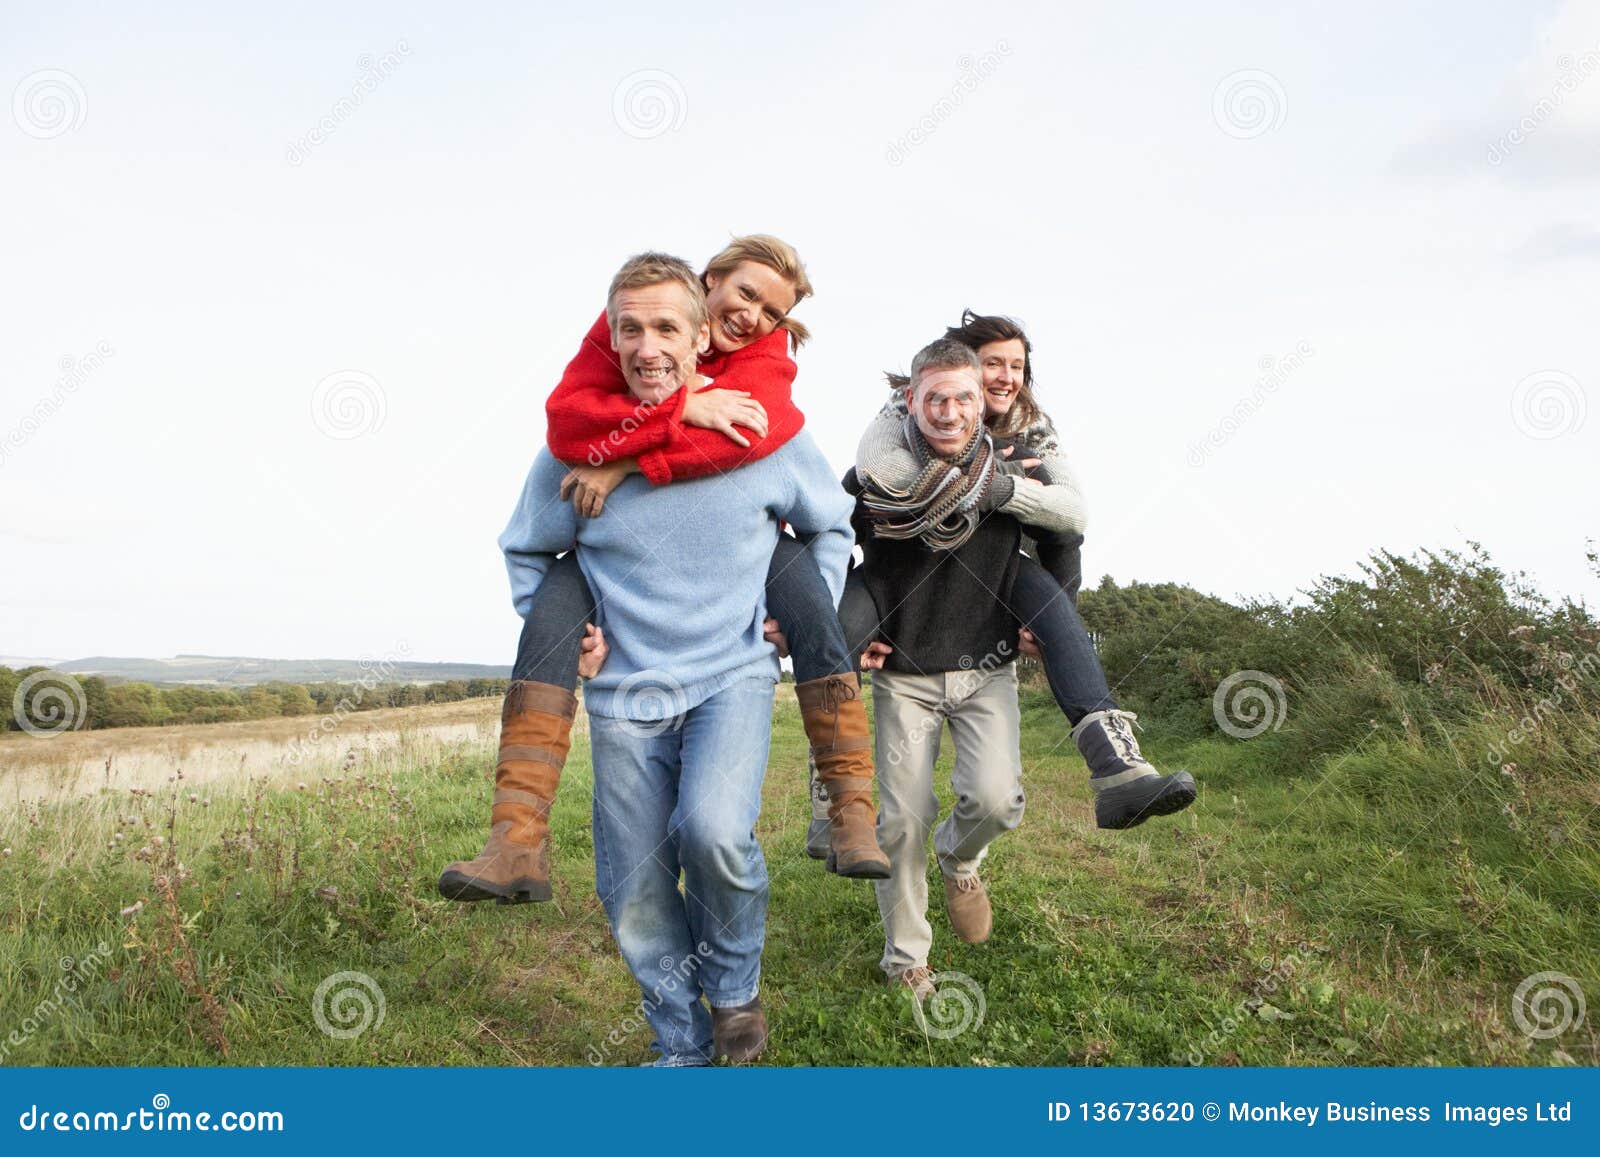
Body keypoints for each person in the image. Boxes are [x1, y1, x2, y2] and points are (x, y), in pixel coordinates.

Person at [437, 236, 888, 910]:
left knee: (798, 572)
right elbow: (566, 425)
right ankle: (515, 837)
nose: (752, 316)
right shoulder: (630, 342)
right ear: (709, 285)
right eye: (743, 293)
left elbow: (772, 462)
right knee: (557, 596)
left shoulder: (761, 386)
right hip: (620, 614)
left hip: (746, 568)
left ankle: (851, 807)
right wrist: (668, 411)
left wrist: (623, 459)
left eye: (771, 310)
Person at [494, 252, 854, 1064]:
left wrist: (801, 613)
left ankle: (732, 991)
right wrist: (563, 636)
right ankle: (681, 1046)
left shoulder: (761, 431)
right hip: (624, 693)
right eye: (631, 328)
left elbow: (831, 526)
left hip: (731, 674)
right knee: (634, 886)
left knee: (716, 833)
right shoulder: (575, 449)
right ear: (610, 338)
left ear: (699, 342)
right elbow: (528, 549)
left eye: (666, 327)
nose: (648, 345)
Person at [849, 311, 1195, 832]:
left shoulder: (1029, 426)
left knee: (1056, 574)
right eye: (993, 363)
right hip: (905, 584)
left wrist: (1007, 495)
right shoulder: (905, 407)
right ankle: (833, 797)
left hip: (996, 576)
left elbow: (1071, 513)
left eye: (1018, 365)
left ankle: (1117, 769)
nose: (1007, 377)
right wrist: (998, 475)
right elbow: (883, 476)